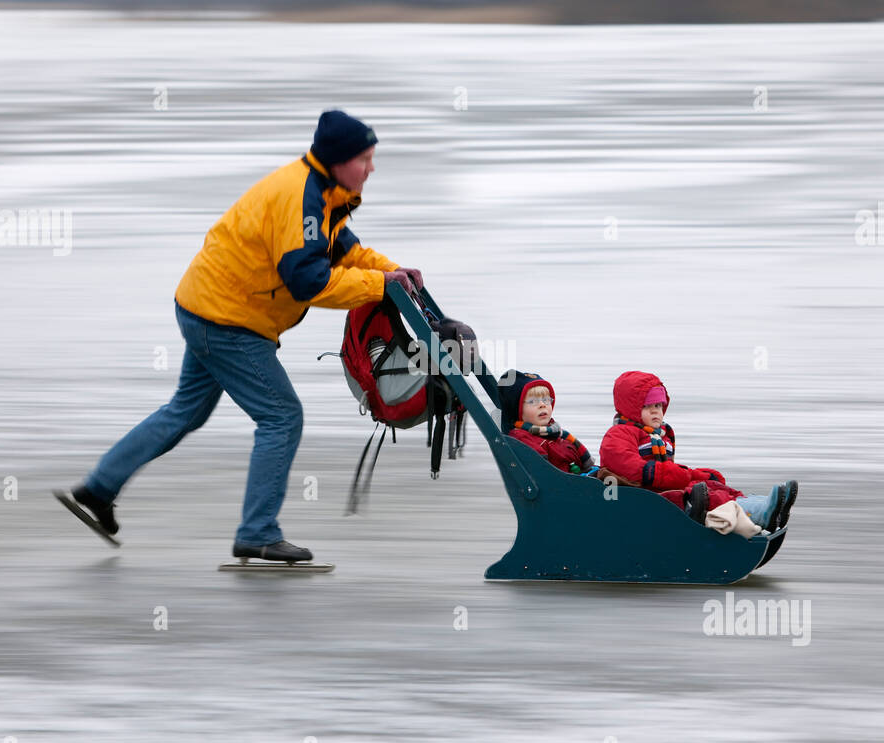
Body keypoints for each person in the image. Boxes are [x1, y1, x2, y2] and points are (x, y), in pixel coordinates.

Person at [58, 110, 424, 561]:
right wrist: (377, 287)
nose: (371, 167)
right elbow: (307, 281)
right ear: (339, 158)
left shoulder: (322, 190)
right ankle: (257, 531)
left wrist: (390, 271)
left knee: (184, 411)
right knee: (281, 416)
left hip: (205, 306)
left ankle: (98, 489)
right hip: (227, 321)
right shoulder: (301, 198)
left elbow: (346, 249)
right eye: (365, 158)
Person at [598, 371, 797, 534]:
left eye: (658, 405)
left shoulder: (662, 434)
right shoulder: (618, 434)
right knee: (697, 495)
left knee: (712, 484)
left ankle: (764, 508)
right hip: (643, 497)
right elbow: (628, 467)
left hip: (659, 489)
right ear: (631, 409)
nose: (655, 411)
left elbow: (670, 468)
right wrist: (682, 476)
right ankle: (755, 514)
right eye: (647, 406)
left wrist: (694, 475)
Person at [497, 370, 596, 474]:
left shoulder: (558, 434)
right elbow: (546, 474)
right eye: (532, 401)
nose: (542, 405)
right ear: (518, 410)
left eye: (546, 400)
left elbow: (586, 466)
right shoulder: (522, 438)